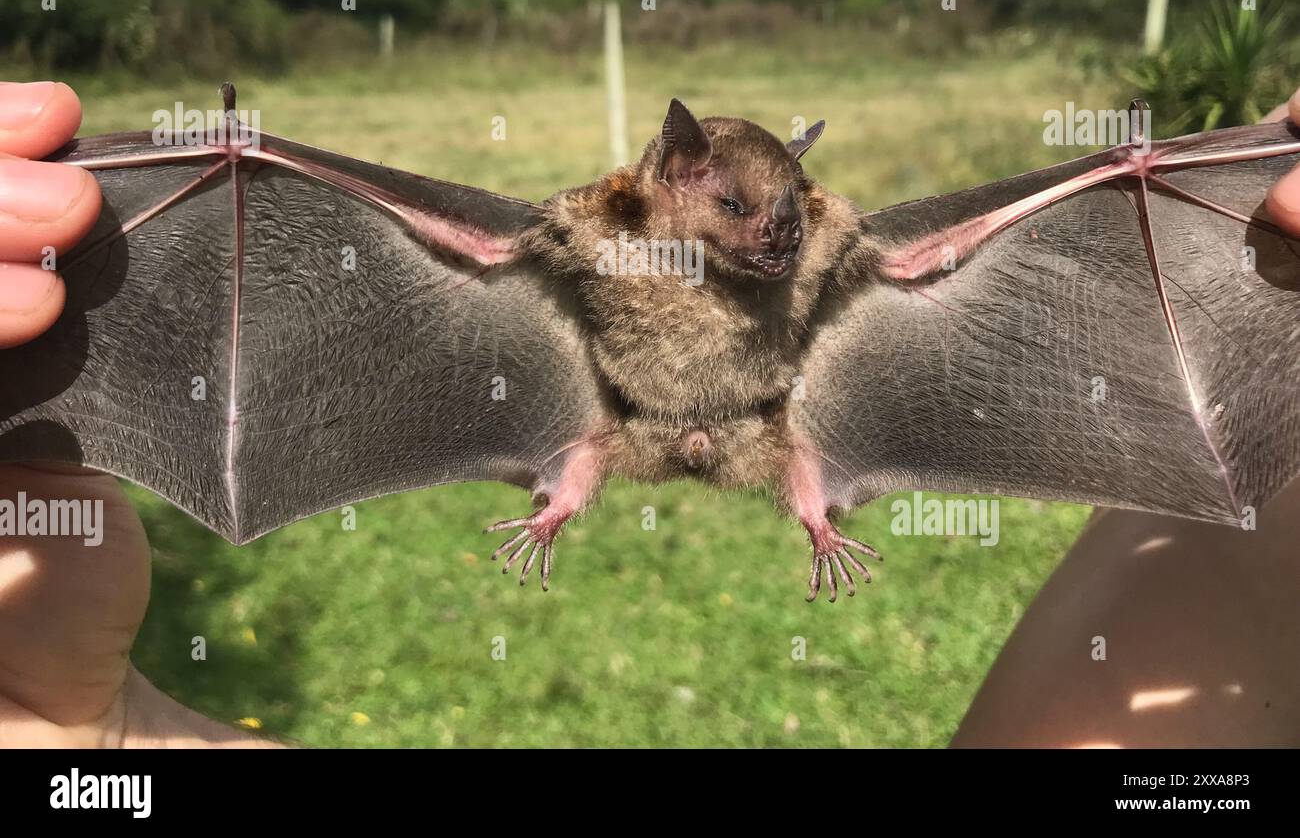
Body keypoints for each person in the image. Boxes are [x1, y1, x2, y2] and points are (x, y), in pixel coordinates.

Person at [1, 80, 1298, 748]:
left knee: (1129, 188)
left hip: (785, 424)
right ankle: (565, 483)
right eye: (737, 210)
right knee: (248, 174)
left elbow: (887, 255)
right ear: (669, 177)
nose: (771, 231)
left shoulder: (837, 248)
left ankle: (802, 491)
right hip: (604, 417)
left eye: (783, 206)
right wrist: (83, 735)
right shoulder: (568, 238)